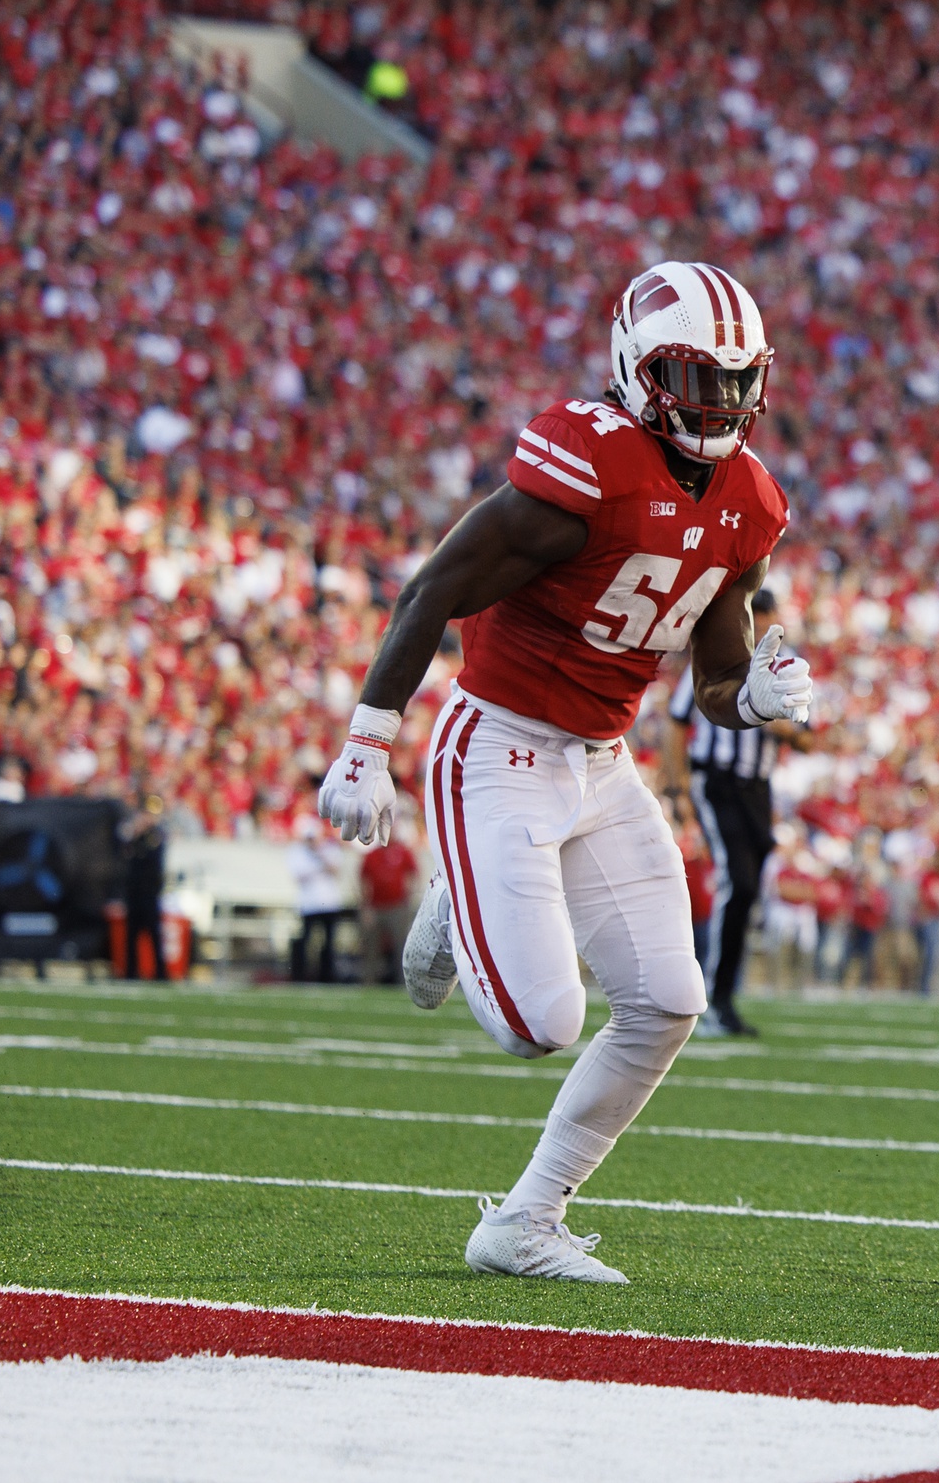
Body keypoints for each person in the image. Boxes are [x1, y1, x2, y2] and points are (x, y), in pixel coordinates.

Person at [316, 261, 809, 1283]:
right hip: (496, 745)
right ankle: (456, 900)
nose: (718, 405)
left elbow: (716, 669)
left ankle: (525, 1221)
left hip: (602, 764)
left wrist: (751, 698)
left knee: (669, 1001)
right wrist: (367, 742)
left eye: (734, 381)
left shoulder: (750, 501)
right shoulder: (587, 460)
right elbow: (435, 586)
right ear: (637, 368)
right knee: (539, 1025)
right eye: (695, 378)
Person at [666, 587, 813, 1037]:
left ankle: (723, 995)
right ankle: (711, 1000)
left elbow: (809, 736)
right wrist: (677, 787)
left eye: (769, 614)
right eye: (758, 614)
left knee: (747, 891)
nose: (766, 624)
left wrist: (780, 721)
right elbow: (677, 721)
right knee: (738, 882)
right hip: (719, 781)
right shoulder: (718, 656)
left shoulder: (787, 665)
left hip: (758, 789)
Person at [285, 816, 352, 983]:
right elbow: (299, 876)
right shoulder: (297, 851)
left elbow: (335, 870)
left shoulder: (328, 848)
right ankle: (302, 976)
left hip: (329, 903)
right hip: (308, 904)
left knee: (328, 944)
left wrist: (319, 856)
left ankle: (327, 976)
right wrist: (319, 867)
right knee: (306, 942)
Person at [358, 814, 422, 985]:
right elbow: (364, 882)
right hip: (377, 906)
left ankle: (403, 983)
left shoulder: (403, 852)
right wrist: (366, 907)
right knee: (371, 947)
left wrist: (407, 900)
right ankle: (369, 982)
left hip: (397, 906)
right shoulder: (372, 855)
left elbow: (413, 876)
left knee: (401, 946)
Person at [118, 795, 168, 980]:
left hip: (149, 892)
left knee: (154, 935)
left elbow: (149, 858)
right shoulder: (134, 835)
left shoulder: (155, 835)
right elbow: (123, 853)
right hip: (134, 891)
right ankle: (131, 971)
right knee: (131, 936)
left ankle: (160, 973)